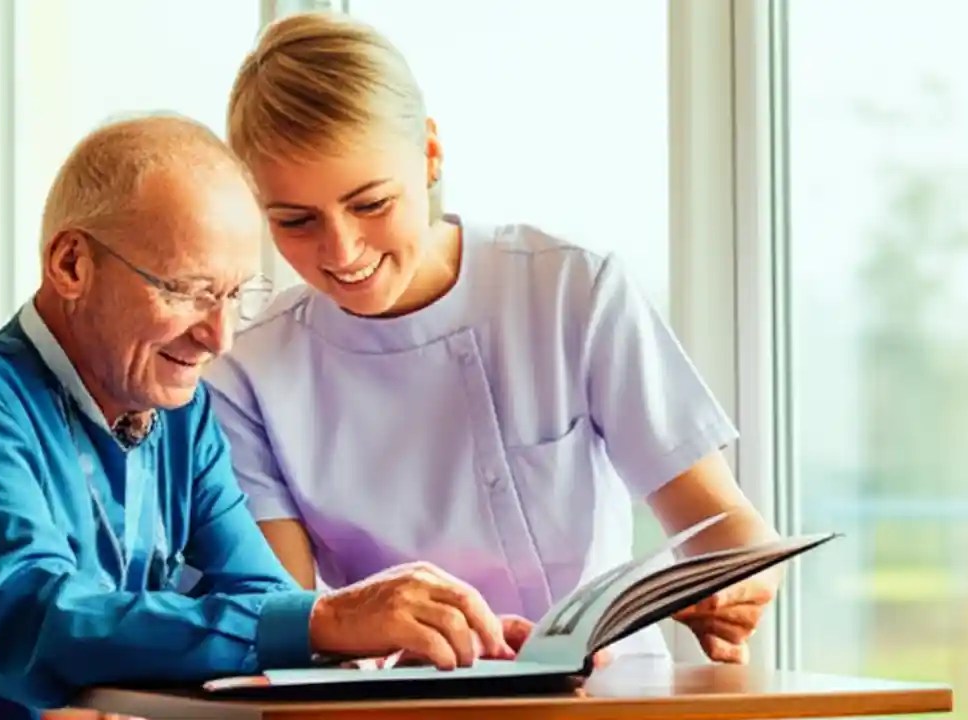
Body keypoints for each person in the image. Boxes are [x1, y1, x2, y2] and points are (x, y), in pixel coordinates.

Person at [0, 115, 521, 720]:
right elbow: (41, 621)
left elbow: (260, 596)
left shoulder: (181, 414)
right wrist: (326, 621)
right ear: (71, 265)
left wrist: (377, 649)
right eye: (187, 291)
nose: (219, 337)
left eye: (234, 296)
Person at [205, 11, 781, 666]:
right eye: (296, 221)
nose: (341, 250)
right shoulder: (248, 373)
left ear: (429, 154)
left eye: (370, 204)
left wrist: (737, 584)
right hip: (398, 700)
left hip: (612, 694)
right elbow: (289, 620)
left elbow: (724, 527)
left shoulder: (571, 291)